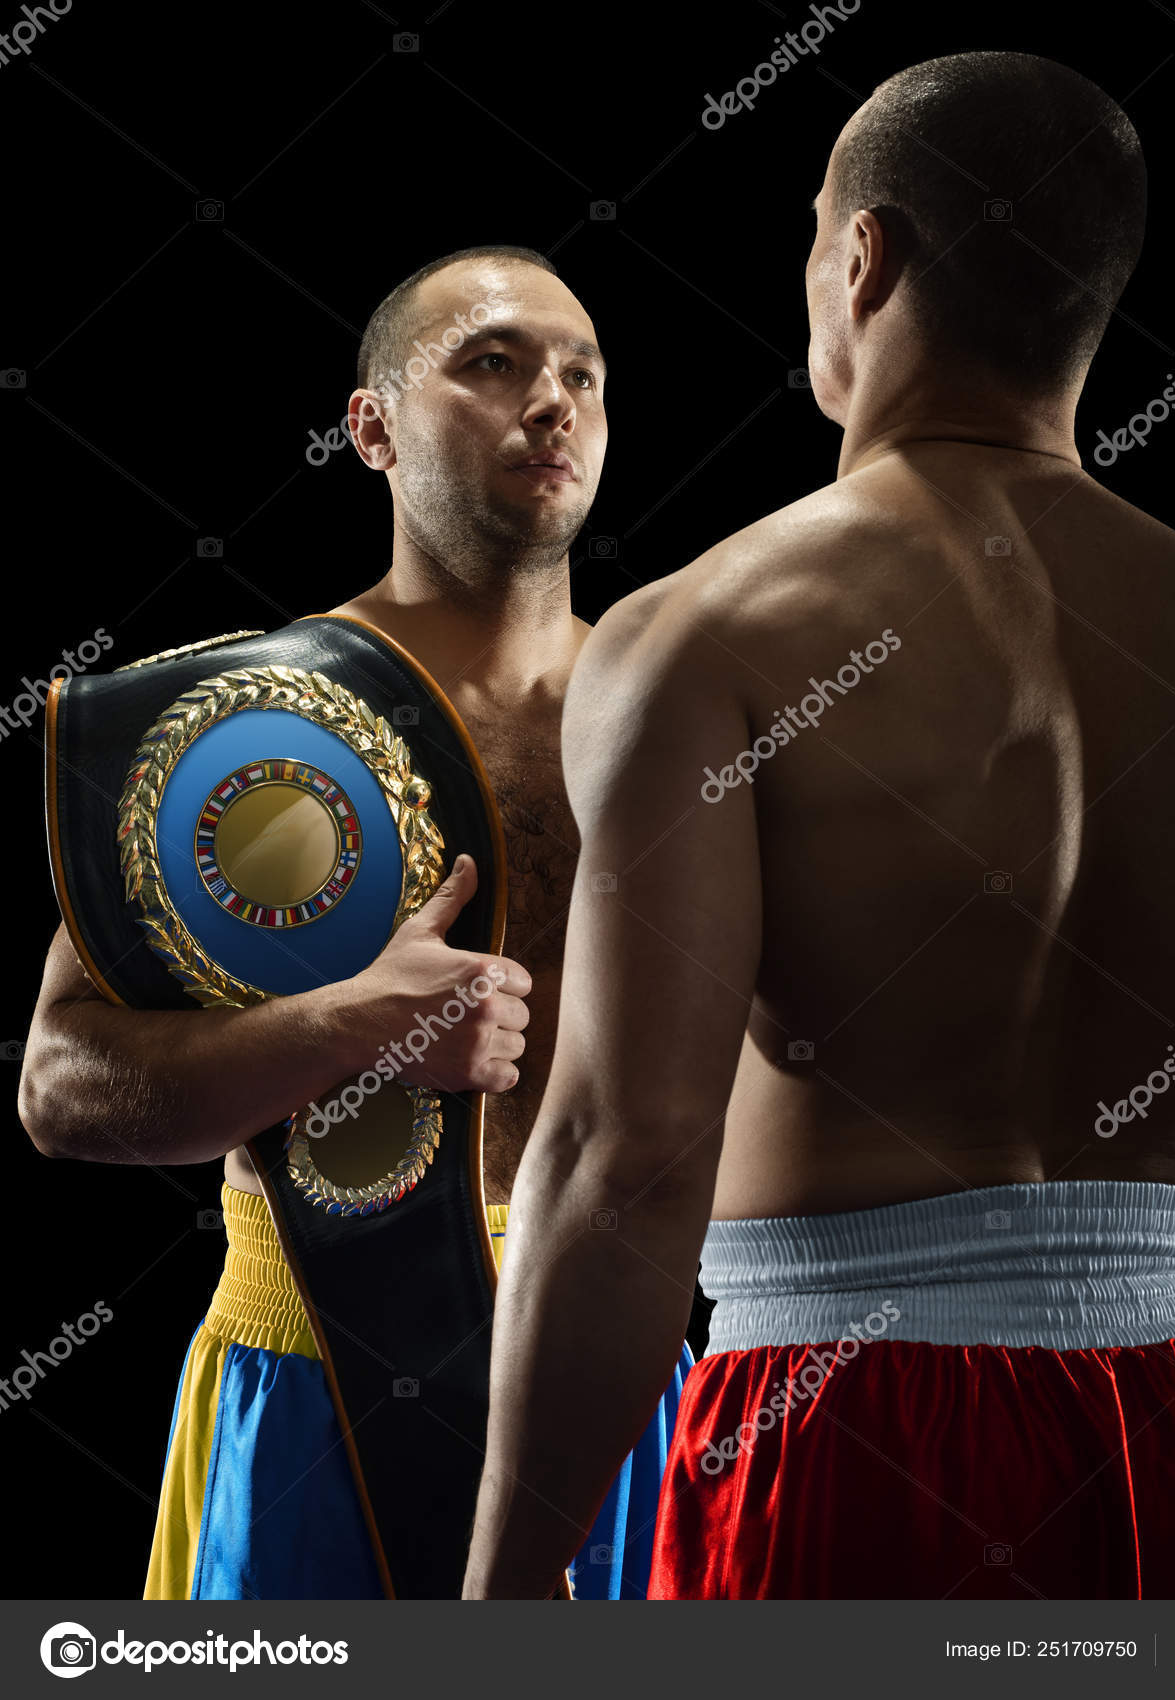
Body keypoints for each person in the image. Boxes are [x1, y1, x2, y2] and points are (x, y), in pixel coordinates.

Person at [463, 54, 1175, 1601]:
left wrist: (497, 1600)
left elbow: (626, 1161)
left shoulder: (703, 634)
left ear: (864, 255)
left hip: (842, 1437)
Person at [20, 244, 690, 1601]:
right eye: (491, 362)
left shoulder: (693, 724)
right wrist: (336, 1031)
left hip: (628, 1385)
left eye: (582, 374)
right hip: (322, 1369)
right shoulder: (240, 733)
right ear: (370, 426)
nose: (550, 401)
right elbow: (60, 1088)